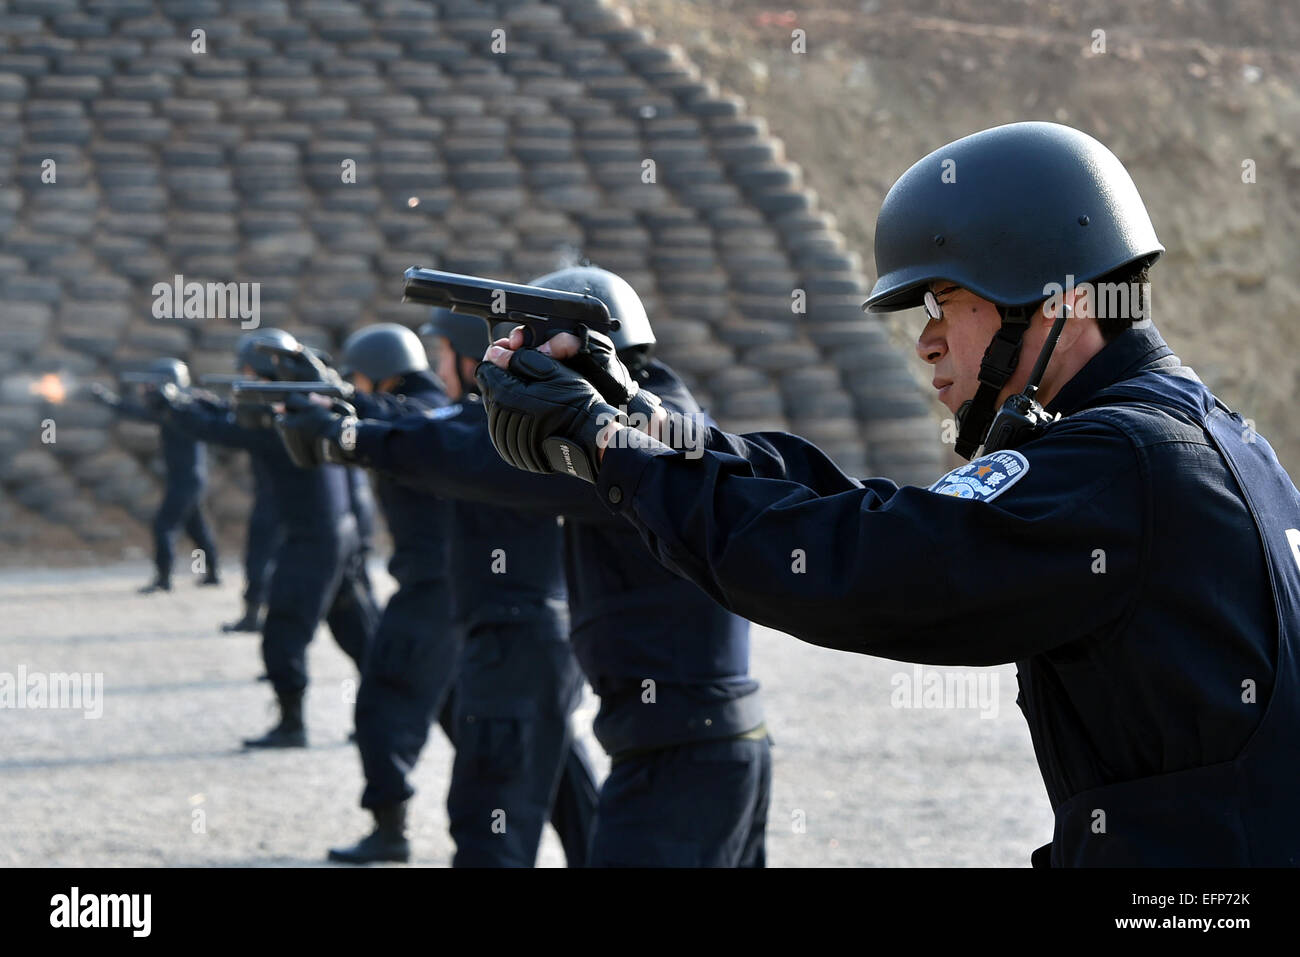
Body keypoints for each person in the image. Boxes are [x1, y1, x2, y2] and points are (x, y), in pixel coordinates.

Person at [475, 122, 1300, 867]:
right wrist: (646, 423)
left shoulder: (1123, 460)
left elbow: (865, 565)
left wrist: (608, 447)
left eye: (948, 301)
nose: (928, 340)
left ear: (1052, 300)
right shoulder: (1197, 434)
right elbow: (881, 518)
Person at [279, 270, 771, 867]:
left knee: (489, 829)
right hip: (698, 742)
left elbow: (472, 455)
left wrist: (350, 439)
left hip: (681, 753)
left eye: (532, 353)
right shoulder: (663, 416)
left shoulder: (622, 443)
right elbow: (455, 435)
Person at [308, 321, 597, 867]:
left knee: (393, 713)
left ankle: (388, 824)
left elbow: (423, 432)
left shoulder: (484, 427)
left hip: (482, 620)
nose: (439, 371)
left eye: (446, 356)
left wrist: (345, 425)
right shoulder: (528, 424)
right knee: (546, 760)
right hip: (521, 629)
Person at [158, 328, 379, 749]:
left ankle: (292, 726)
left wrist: (174, 410)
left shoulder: (282, 417)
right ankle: (378, 715)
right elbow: (232, 416)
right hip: (336, 532)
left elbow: (225, 430)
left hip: (314, 538)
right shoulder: (304, 407)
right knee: (356, 631)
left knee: (283, 632)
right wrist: (192, 405)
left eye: (248, 373)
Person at [91, 358, 220, 593]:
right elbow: (142, 413)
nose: (149, 389)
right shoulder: (173, 409)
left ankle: (163, 579)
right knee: (196, 528)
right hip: (187, 478)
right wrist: (110, 401)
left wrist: (111, 402)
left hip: (187, 479)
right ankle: (212, 574)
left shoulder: (186, 407)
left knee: (164, 526)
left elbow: (212, 410)